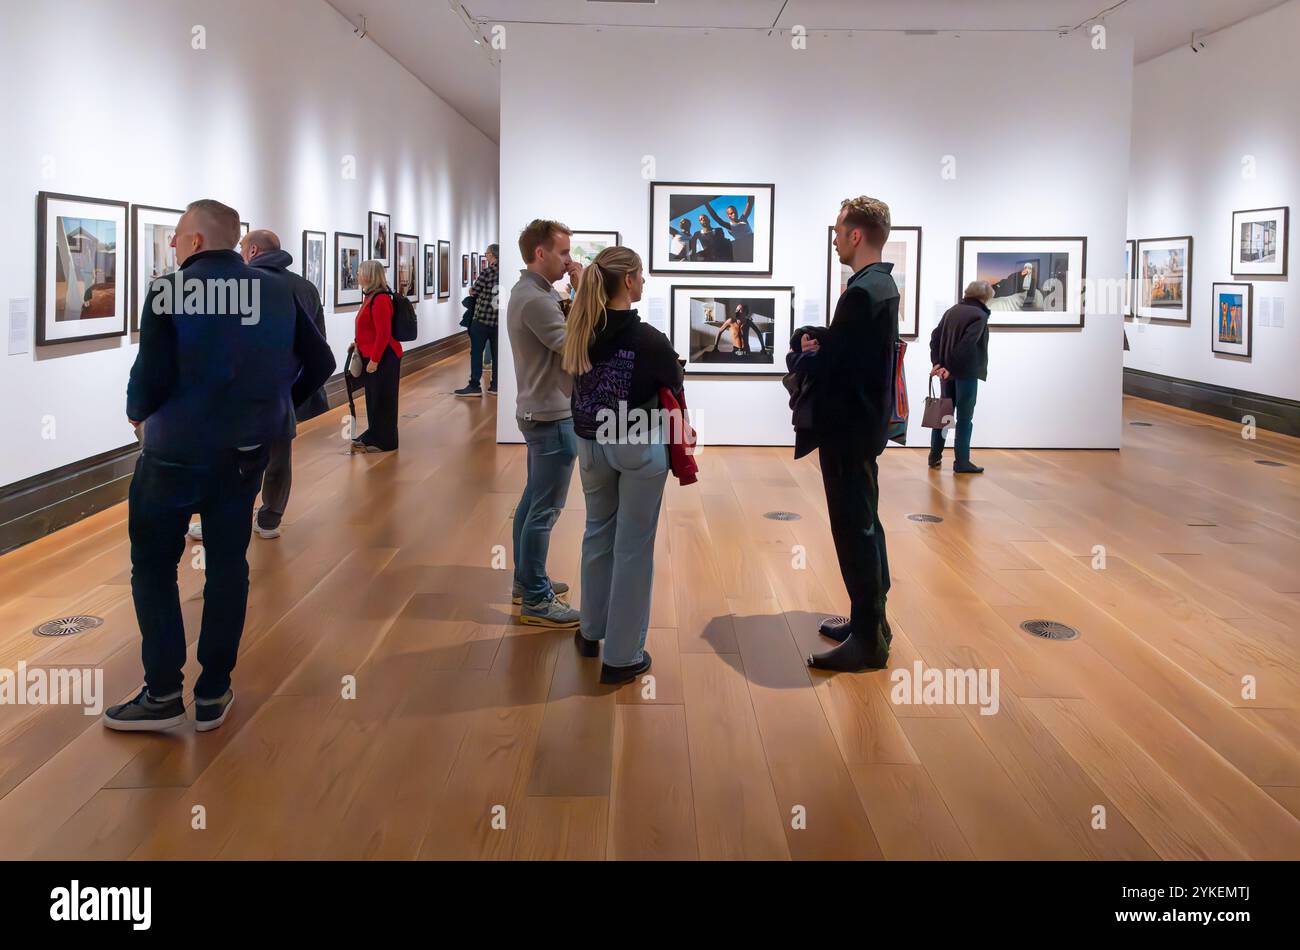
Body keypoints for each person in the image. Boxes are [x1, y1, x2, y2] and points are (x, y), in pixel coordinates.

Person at [107, 199, 334, 732]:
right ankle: (214, 692)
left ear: (195, 242)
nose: (171, 244)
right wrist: (278, 404)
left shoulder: (169, 290)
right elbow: (321, 361)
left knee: (155, 567)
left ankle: (163, 692)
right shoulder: (278, 289)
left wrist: (136, 414)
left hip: (173, 454)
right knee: (229, 565)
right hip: (245, 454)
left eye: (178, 235)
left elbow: (151, 373)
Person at [562, 246, 682, 684]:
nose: (645, 282)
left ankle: (590, 630)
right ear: (628, 281)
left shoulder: (580, 330)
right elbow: (672, 381)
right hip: (635, 443)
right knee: (633, 546)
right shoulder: (649, 339)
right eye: (641, 276)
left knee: (597, 532)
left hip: (589, 441)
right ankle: (622, 656)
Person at [797, 196, 899, 673]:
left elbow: (842, 369)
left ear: (856, 235)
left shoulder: (861, 292)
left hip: (848, 427)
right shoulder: (879, 285)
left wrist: (809, 357)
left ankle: (868, 640)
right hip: (865, 425)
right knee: (865, 523)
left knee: (853, 528)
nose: (836, 239)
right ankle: (871, 622)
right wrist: (826, 335)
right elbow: (857, 352)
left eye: (839, 231)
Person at [506, 219, 583, 628]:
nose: (568, 260)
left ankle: (526, 580)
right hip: (551, 414)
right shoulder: (536, 299)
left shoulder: (533, 292)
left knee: (533, 500)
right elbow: (576, 347)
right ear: (541, 253)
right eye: (564, 252)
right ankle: (536, 597)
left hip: (540, 410)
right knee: (545, 509)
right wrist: (586, 291)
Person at [929, 280, 992, 474]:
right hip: (964, 373)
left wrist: (938, 364)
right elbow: (967, 345)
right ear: (984, 297)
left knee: (943, 415)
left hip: (946, 373)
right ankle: (962, 462)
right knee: (965, 418)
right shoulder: (979, 315)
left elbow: (935, 337)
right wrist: (951, 367)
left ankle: (934, 457)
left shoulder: (952, 311)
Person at [353, 259, 402, 452]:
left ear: (368, 275)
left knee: (384, 398)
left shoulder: (380, 298)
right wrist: (357, 343)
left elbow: (383, 333)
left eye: (359, 272)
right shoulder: (370, 296)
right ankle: (374, 433)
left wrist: (375, 359)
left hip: (383, 357)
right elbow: (369, 328)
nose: (357, 275)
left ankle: (386, 440)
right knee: (373, 397)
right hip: (371, 354)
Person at [456, 243, 500, 397]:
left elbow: (474, 290)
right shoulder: (505, 271)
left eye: (487, 253)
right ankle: (495, 385)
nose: (486, 255)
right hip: (498, 321)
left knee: (476, 353)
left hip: (482, 318)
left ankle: (474, 385)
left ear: (492, 255)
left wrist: (472, 290)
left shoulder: (488, 271)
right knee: (496, 354)